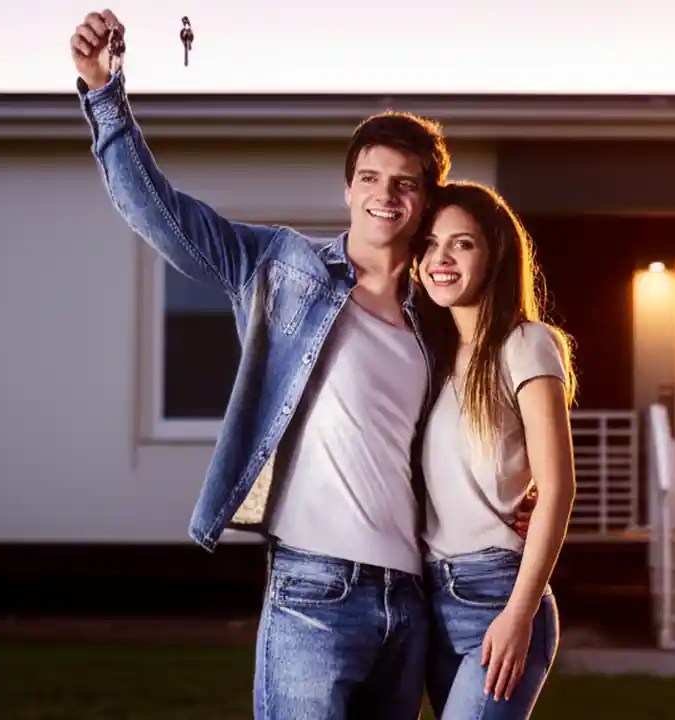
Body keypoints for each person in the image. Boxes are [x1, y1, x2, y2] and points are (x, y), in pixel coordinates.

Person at [69, 10, 492, 719]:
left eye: (405, 183)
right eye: (369, 177)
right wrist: (104, 93)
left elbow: (467, 436)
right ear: (347, 189)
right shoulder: (281, 267)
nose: (385, 193)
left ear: (425, 202)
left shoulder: (438, 324)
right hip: (314, 593)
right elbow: (161, 215)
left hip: (412, 599)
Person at [414, 181, 577, 718]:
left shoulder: (526, 344)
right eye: (431, 243)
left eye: (462, 243)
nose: (442, 257)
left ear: (495, 254)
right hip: (426, 594)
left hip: (497, 594)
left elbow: (556, 489)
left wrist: (520, 614)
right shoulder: (427, 357)